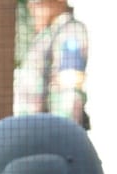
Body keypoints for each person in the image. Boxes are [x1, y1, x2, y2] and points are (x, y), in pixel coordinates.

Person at [14, 0, 91, 130]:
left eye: (37, 2)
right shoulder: (49, 33)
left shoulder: (70, 32)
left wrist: (62, 134)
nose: (31, 7)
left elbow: (70, 92)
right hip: (32, 128)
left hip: (50, 133)